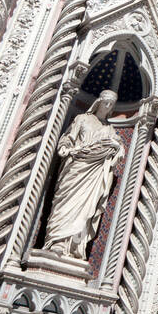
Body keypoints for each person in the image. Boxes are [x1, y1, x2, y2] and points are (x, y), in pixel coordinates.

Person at [41, 91, 124, 261]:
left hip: (94, 174)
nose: (107, 106)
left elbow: (120, 152)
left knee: (86, 209)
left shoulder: (109, 129)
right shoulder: (82, 119)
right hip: (76, 168)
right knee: (66, 204)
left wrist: (116, 146)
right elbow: (68, 139)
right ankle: (56, 242)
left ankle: (74, 247)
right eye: (105, 102)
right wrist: (65, 148)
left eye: (111, 104)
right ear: (99, 102)